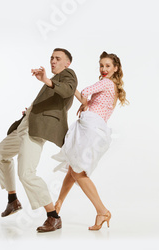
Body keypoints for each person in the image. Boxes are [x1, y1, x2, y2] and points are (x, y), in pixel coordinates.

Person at [0, 48, 78, 233]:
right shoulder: (54, 80)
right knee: (0, 153)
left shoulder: (68, 74)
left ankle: (53, 217)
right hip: (26, 124)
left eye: (58, 58)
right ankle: (12, 200)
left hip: (37, 130)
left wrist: (46, 81)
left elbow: (68, 90)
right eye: (51, 58)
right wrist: (30, 111)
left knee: (26, 173)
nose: (53, 61)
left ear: (67, 63)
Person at [51, 51, 128, 231]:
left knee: (78, 172)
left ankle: (102, 210)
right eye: (101, 65)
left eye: (108, 66)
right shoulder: (110, 85)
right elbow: (84, 98)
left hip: (91, 129)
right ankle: (58, 204)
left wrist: (84, 100)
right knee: (73, 169)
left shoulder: (107, 83)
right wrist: (73, 90)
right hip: (93, 128)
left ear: (116, 68)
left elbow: (86, 92)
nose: (104, 69)